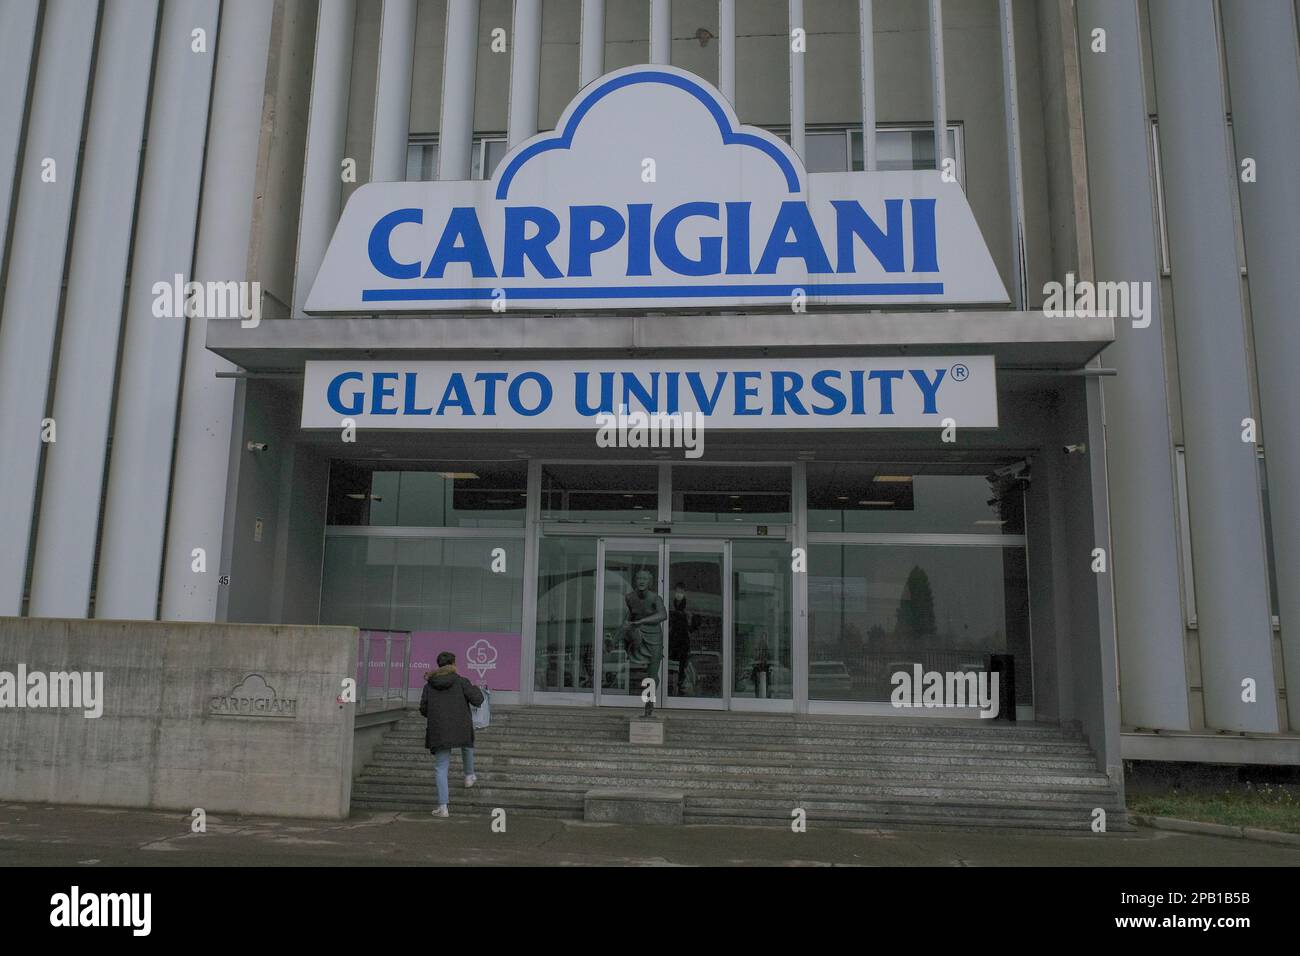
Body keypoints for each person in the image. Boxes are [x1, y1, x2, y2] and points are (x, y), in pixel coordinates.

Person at [419, 650, 484, 818]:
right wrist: (475, 688)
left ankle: (443, 807)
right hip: (461, 725)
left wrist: (438, 715)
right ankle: (469, 775)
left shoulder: (429, 685)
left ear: (438, 665)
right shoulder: (461, 681)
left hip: (439, 729)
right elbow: (478, 700)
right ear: (454, 664)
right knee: (467, 743)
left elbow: (423, 709)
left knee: (441, 767)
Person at [622, 568, 667, 716]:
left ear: (650, 582)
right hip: (638, 635)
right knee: (628, 630)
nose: (641, 581)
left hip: (654, 639)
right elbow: (628, 619)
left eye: (645, 579)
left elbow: (662, 615)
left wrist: (642, 621)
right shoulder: (629, 598)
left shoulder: (655, 598)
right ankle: (623, 646)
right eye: (639, 578)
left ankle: (648, 706)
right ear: (635, 581)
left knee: (652, 676)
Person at [667, 582, 694, 695]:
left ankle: (680, 687)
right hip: (672, 641)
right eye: (677, 591)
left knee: (682, 666)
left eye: (681, 592)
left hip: (683, 643)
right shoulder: (670, 606)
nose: (679, 594)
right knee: (670, 666)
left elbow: (691, 627)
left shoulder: (687, 608)